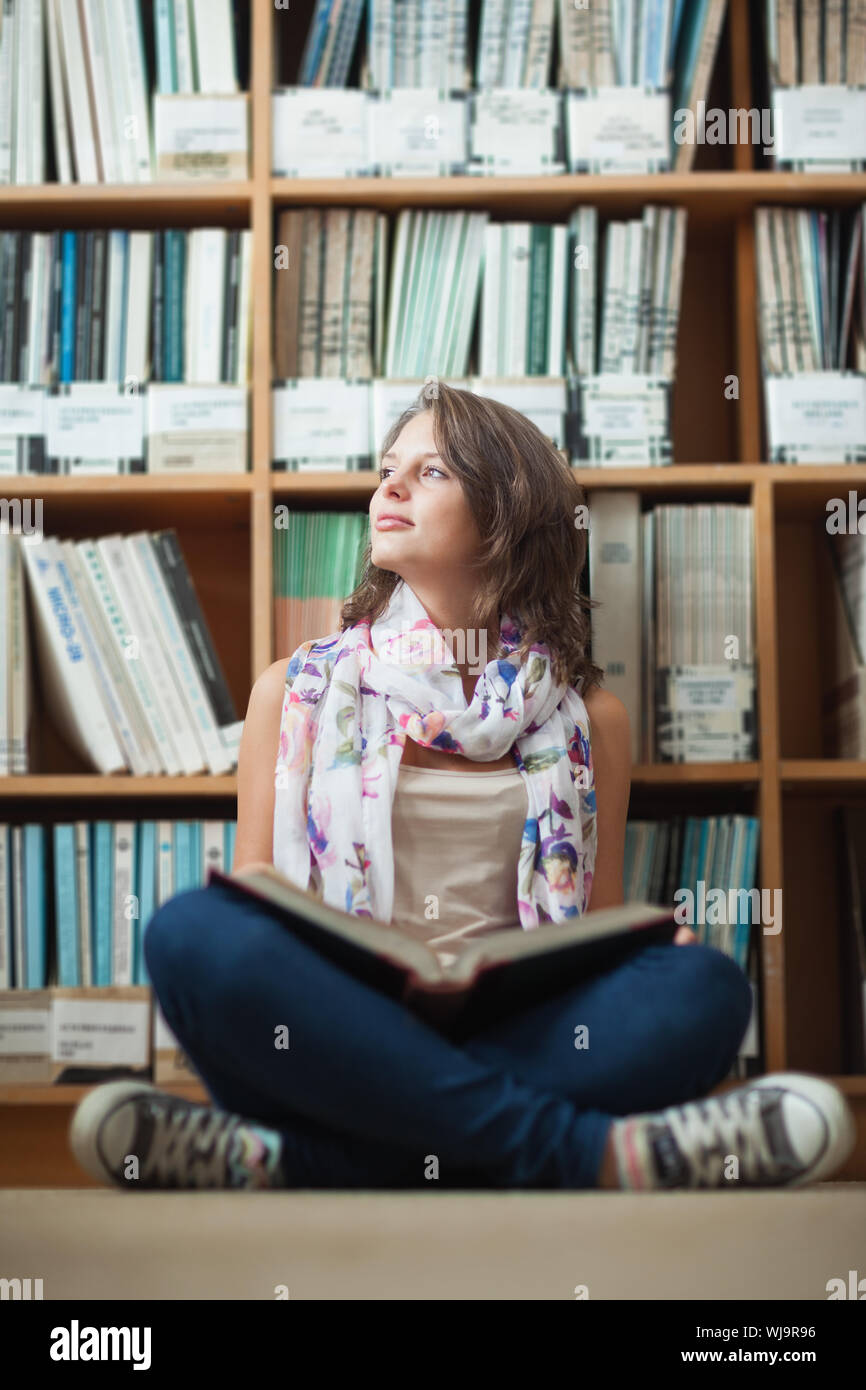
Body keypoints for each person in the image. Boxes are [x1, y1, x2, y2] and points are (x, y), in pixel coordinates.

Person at [69, 384, 856, 1192]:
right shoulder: (294, 691)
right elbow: (261, 906)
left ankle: (304, 1162)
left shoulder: (591, 718)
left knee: (704, 989)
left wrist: (647, 953)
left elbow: (599, 929)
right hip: (344, 1030)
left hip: (522, 1032)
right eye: (386, 470)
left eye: (432, 471)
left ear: (508, 510)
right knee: (194, 933)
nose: (390, 488)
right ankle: (587, 1154)